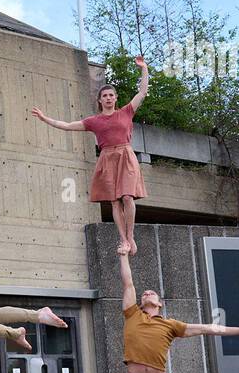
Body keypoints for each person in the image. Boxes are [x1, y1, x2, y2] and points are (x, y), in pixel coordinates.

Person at [30, 56, 149, 254]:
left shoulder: (126, 112)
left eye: (112, 95)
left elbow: (143, 91)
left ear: (116, 98)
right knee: (114, 200)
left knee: (127, 197)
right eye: (105, 96)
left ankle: (130, 237)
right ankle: (123, 240)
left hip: (125, 155)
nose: (109, 98)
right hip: (107, 157)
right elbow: (67, 126)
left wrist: (143, 69)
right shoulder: (94, 121)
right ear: (100, 100)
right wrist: (45, 119)